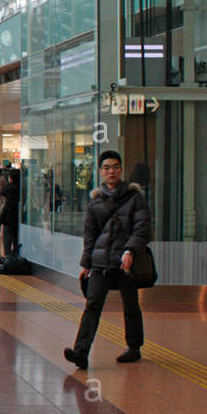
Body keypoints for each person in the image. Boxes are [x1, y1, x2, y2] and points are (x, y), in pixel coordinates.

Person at [64, 151, 152, 369]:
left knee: (130, 304)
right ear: (101, 171)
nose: (111, 171)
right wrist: (86, 264)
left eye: (115, 167)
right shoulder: (95, 201)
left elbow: (142, 228)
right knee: (92, 305)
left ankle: (134, 347)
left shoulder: (135, 198)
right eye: (106, 167)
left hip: (125, 263)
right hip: (101, 262)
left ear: (121, 170)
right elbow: (90, 234)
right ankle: (81, 352)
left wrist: (130, 250)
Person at [0, 168, 20, 256]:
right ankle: (16, 254)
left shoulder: (7, 188)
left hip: (8, 216)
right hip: (19, 216)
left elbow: (4, 204)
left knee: (7, 238)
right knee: (16, 237)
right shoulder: (22, 188)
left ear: (10, 178)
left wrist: (1, 217)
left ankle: (7, 256)